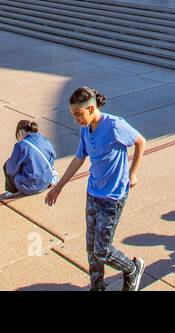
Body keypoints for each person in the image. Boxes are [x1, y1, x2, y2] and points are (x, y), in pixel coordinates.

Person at [45, 87, 147, 291]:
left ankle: (132, 268)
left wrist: (132, 173)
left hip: (112, 197)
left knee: (103, 250)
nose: (76, 120)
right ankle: (97, 286)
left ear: (91, 108)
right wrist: (59, 186)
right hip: (93, 194)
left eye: (78, 115)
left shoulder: (114, 125)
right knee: (92, 249)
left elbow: (140, 141)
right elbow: (78, 159)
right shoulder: (86, 128)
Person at [3, 120, 59, 196]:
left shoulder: (20, 145)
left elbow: (11, 170)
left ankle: (12, 191)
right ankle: (48, 179)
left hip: (29, 187)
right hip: (46, 182)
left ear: (20, 132)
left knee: (8, 165)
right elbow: (53, 156)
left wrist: (20, 142)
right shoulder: (43, 139)